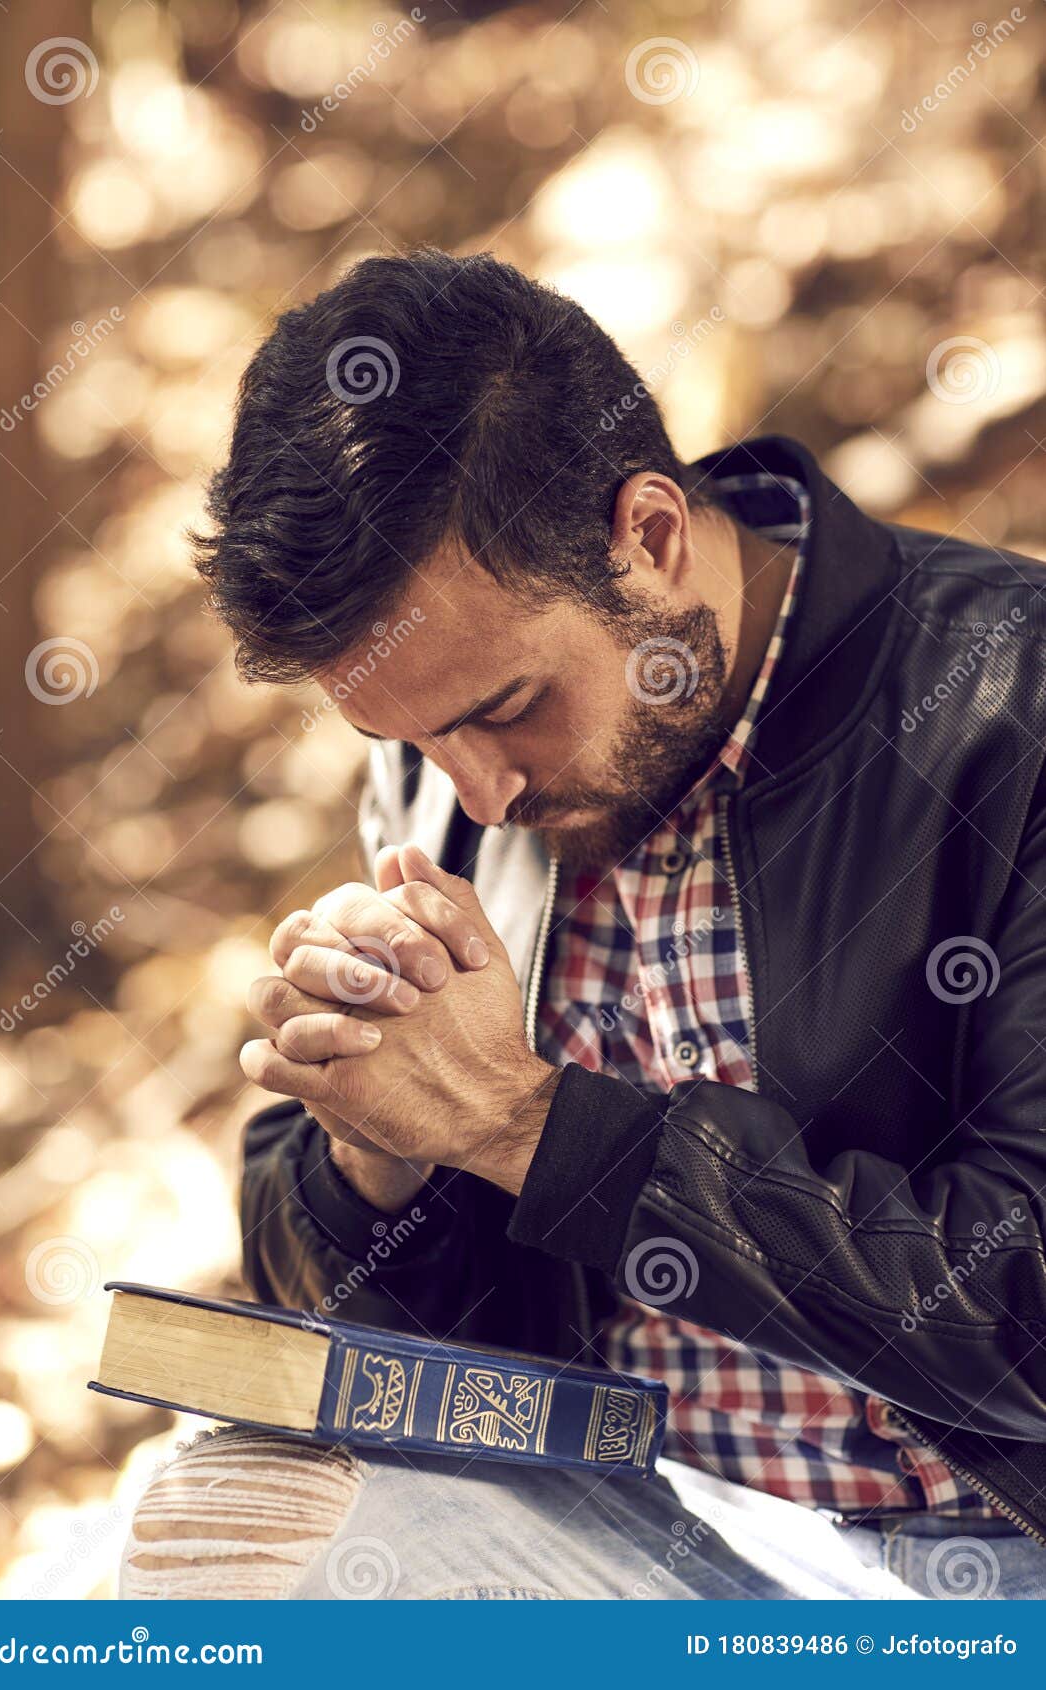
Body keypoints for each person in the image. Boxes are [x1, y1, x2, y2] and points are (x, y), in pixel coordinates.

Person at [122, 249, 1046, 1600]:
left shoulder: (1006, 708)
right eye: (410, 738)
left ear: (651, 538)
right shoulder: (456, 762)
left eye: (502, 707)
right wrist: (368, 1152)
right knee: (213, 1521)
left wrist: (528, 1124)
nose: (477, 793)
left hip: (982, 1570)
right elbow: (399, 1320)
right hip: (635, 1526)